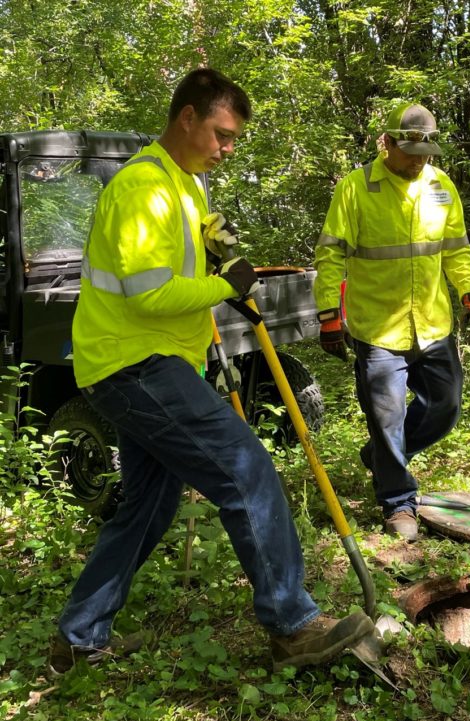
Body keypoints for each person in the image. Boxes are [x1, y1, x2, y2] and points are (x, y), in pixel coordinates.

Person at [49, 68, 374, 677]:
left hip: (153, 361)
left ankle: (78, 637)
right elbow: (150, 294)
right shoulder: (142, 187)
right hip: (132, 362)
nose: (227, 149)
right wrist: (226, 284)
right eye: (222, 135)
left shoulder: (185, 185)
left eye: (235, 141)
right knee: (245, 469)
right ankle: (293, 625)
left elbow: (200, 234)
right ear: (188, 118)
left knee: (147, 505)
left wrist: (227, 247)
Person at [313, 102, 470, 542]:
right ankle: (398, 503)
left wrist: (467, 287)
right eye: (409, 152)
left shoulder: (441, 186)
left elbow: (456, 247)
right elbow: (331, 254)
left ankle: (380, 456)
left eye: (425, 153)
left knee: (445, 407)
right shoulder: (356, 189)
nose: (417, 161)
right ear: (386, 143)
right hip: (378, 330)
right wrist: (329, 313)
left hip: (432, 323)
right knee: (386, 418)